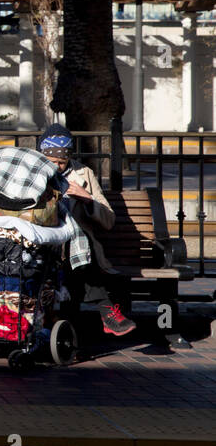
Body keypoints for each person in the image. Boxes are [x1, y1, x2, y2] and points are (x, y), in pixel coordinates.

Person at [38, 123, 136, 336]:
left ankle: (65, 333)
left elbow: (109, 219)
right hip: (43, 244)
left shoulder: (84, 174)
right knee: (71, 262)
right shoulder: (31, 173)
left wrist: (87, 198)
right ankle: (106, 311)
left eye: (62, 162)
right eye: (51, 161)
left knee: (77, 247)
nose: (57, 167)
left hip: (78, 249)